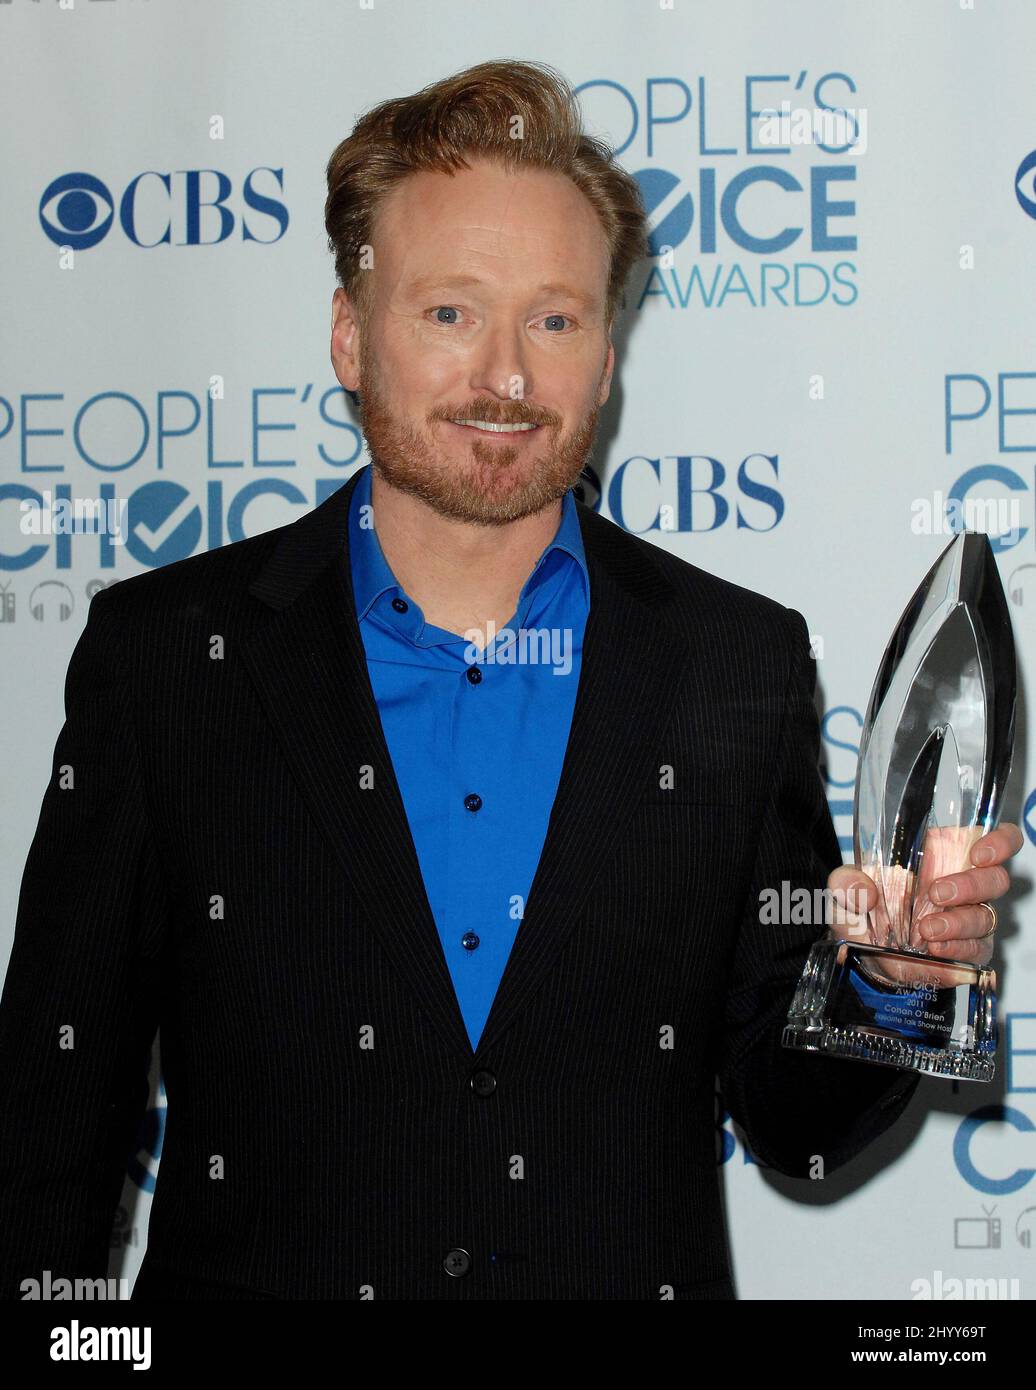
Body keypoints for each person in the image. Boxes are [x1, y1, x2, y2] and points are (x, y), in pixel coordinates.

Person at [0, 59, 1021, 1302]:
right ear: (348, 336)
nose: (506, 377)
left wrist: (888, 987)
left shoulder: (730, 660)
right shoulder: (166, 657)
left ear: (604, 358)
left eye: (554, 317)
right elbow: (50, 1128)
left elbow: (793, 1127)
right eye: (448, 313)